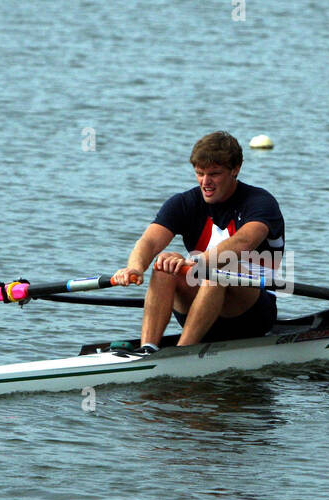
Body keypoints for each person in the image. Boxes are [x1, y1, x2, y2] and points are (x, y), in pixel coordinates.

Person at [111, 131, 284, 353]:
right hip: (200, 307)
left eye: (214, 174)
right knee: (163, 263)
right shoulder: (184, 203)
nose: (206, 182)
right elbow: (149, 241)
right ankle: (149, 348)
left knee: (220, 267)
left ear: (235, 169)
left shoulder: (260, 202)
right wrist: (135, 266)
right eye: (199, 173)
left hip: (252, 312)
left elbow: (244, 241)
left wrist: (199, 262)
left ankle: (183, 353)